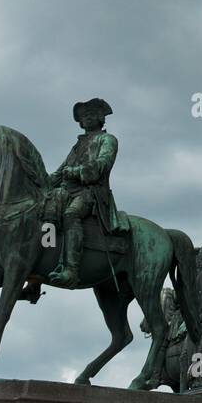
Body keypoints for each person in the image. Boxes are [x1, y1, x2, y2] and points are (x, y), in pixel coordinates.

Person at [46, 98, 122, 288]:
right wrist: (40, 180)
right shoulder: (78, 145)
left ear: (100, 118)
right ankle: (43, 264)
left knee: (71, 215)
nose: (86, 118)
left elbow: (102, 165)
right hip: (67, 191)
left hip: (92, 193)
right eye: (83, 116)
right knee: (45, 211)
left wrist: (76, 172)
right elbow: (59, 171)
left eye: (90, 115)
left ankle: (71, 269)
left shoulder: (107, 140)